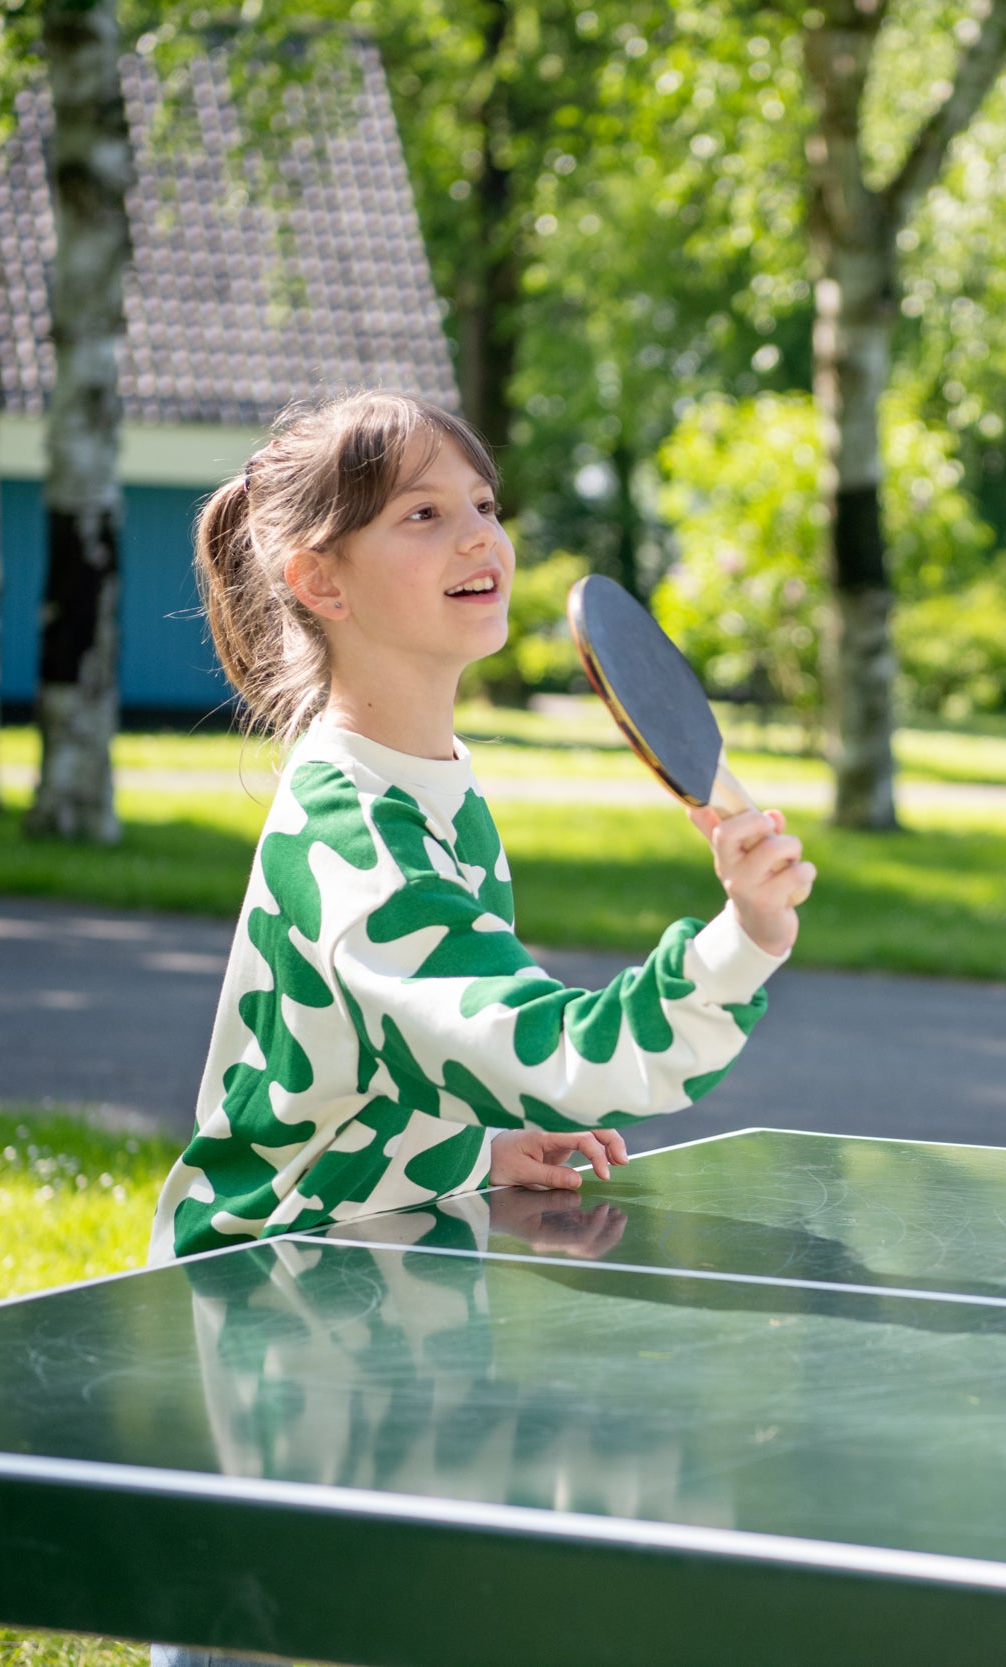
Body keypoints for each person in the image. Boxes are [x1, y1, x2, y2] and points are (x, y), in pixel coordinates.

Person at [146, 391, 811, 1265]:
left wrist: (465, 1149)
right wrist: (742, 942)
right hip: (275, 1290)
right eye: (423, 512)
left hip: (366, 1276)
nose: (479, 536)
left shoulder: (429, 781)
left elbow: (370, 1059)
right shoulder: (356, 840)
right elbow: (558, 1059)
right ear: (321, 581)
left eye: (485, 505)